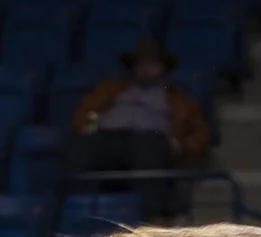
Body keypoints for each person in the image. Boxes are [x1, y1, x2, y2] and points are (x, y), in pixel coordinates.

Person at [67, 39, 209, 219]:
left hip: (151, 140)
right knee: (78, 147)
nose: (145, 69)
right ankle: (77, 214)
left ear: (163, 68)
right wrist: (87, 125)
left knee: (147, 151)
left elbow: (200, 133)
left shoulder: (178, 98)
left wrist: (181, 145)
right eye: (141, 64)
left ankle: (151, 220)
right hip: (108, 137)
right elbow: (83, 114)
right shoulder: (111, 88)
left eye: (152, 64)